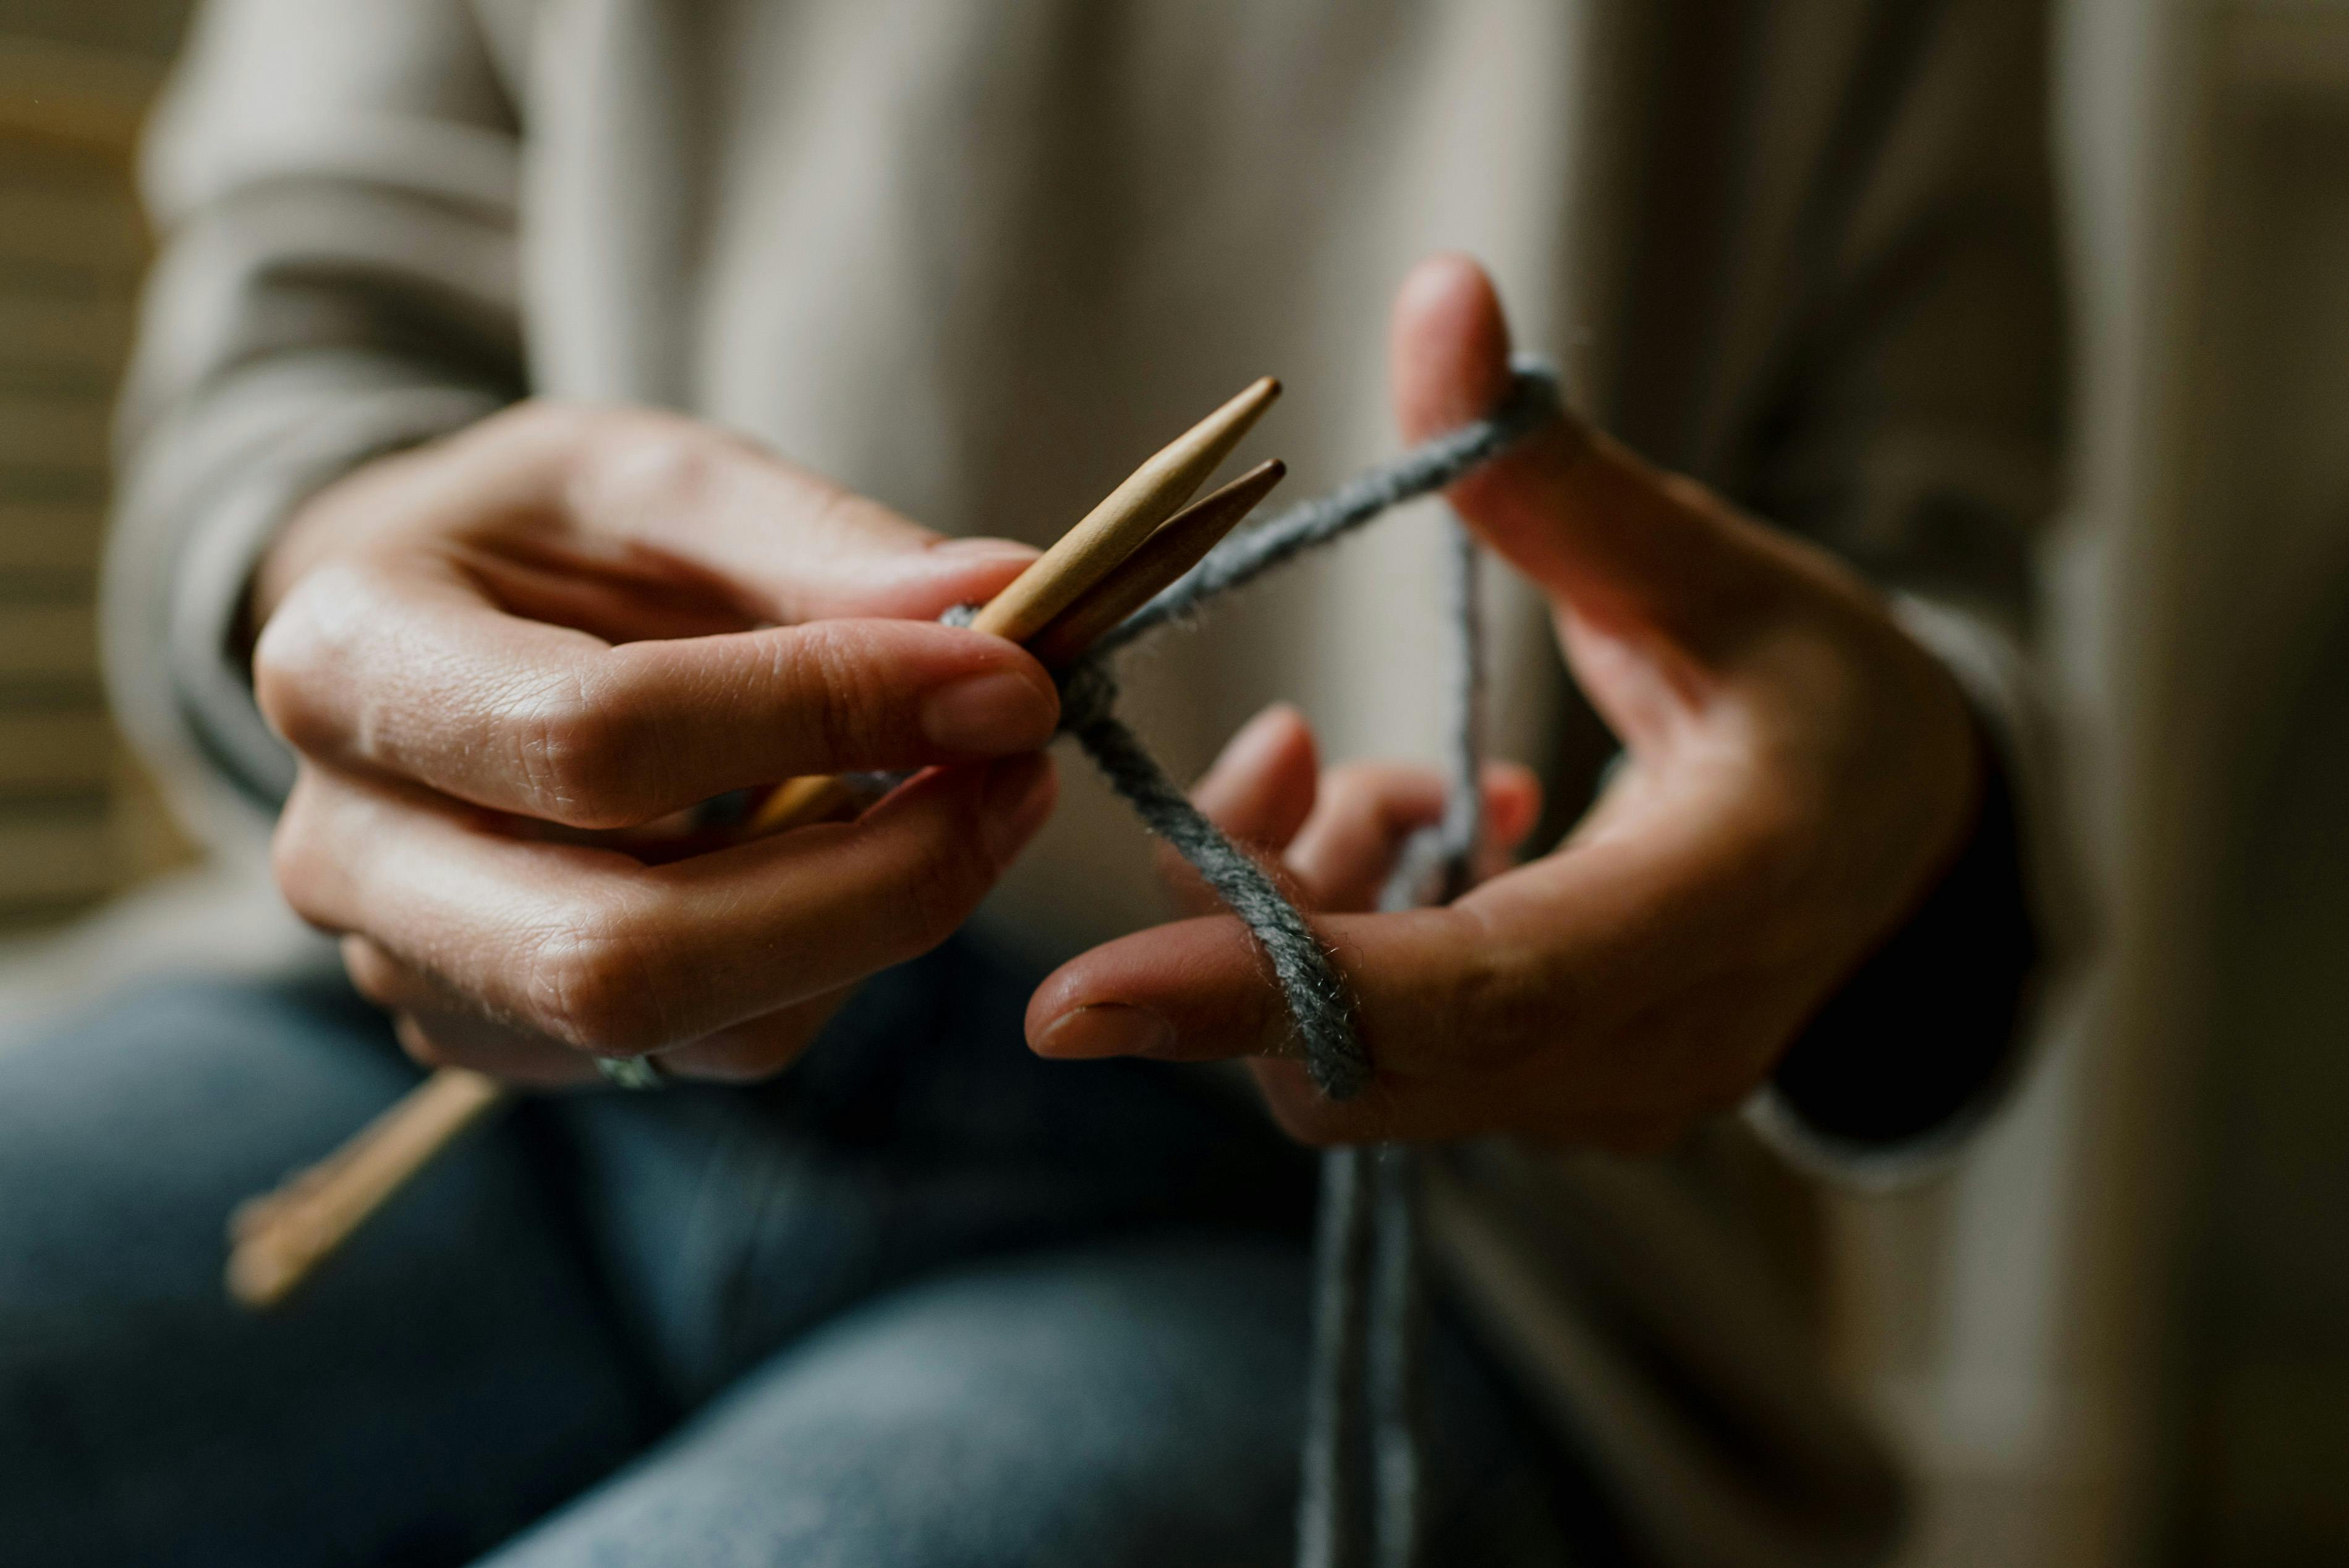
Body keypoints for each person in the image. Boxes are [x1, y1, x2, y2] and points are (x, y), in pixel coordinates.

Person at [2, 2, 2067, 1563]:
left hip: (1371, 1207)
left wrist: (1879, 819)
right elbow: (304, 353)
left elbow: (1925, 603)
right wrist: (358, 608)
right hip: (435, 1066)